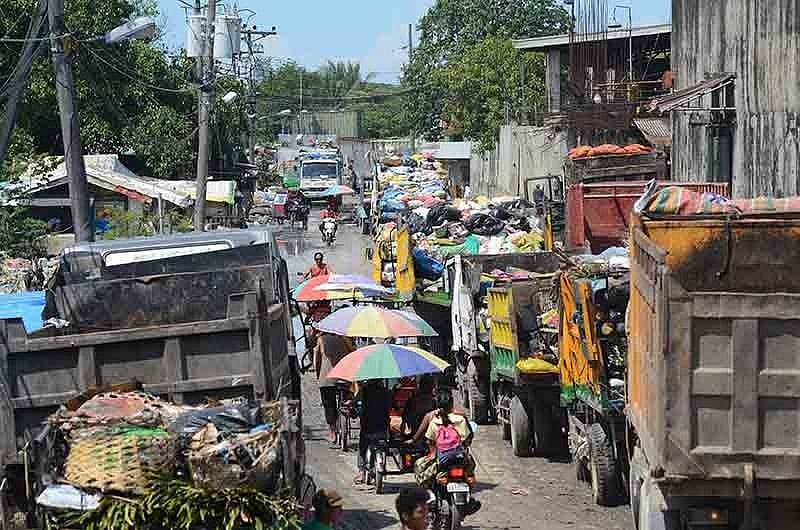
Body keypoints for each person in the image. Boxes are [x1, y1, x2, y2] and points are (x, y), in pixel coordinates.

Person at [315, 333, 355, 444]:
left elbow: (317, 359)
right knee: (347, 397)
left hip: (327, 378)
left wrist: (318, 374)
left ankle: (332, 431)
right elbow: (353, 353)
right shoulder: (345, 338)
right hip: (344, 376)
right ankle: (348, 408)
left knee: (328, 404)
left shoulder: (321, 339)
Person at [353, 379, 391, 487]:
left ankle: (361, 471)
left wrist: (351, 404)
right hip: (383, 427)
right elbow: (391, 405)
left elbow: (355, 403)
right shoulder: (386, 392)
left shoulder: (364, 391)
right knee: (383, 444)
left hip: (368, 427)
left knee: (362, 446)